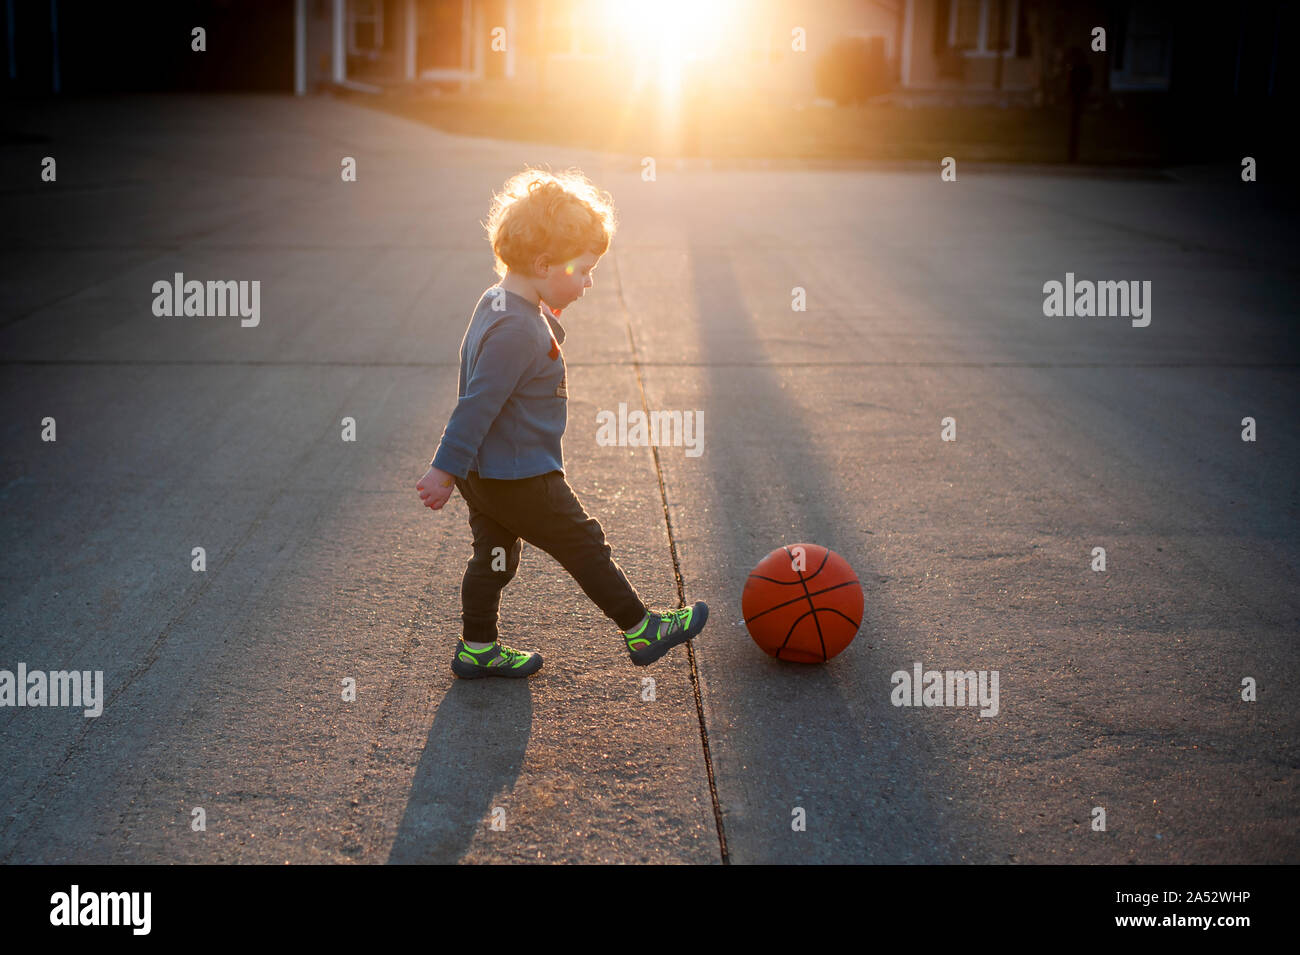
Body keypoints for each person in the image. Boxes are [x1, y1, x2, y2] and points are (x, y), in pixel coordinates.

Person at [415, 166, 709, 679]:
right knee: (584, 545)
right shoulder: (518, 328)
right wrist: (442, 469)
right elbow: (478, 404)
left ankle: (477, 648)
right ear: (546, 263)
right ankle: (641, 628)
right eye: (585, 269)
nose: (591, 282)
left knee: (494, 559)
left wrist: (457, 473)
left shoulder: (497, 303)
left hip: (484, 478)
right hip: (521, 474)